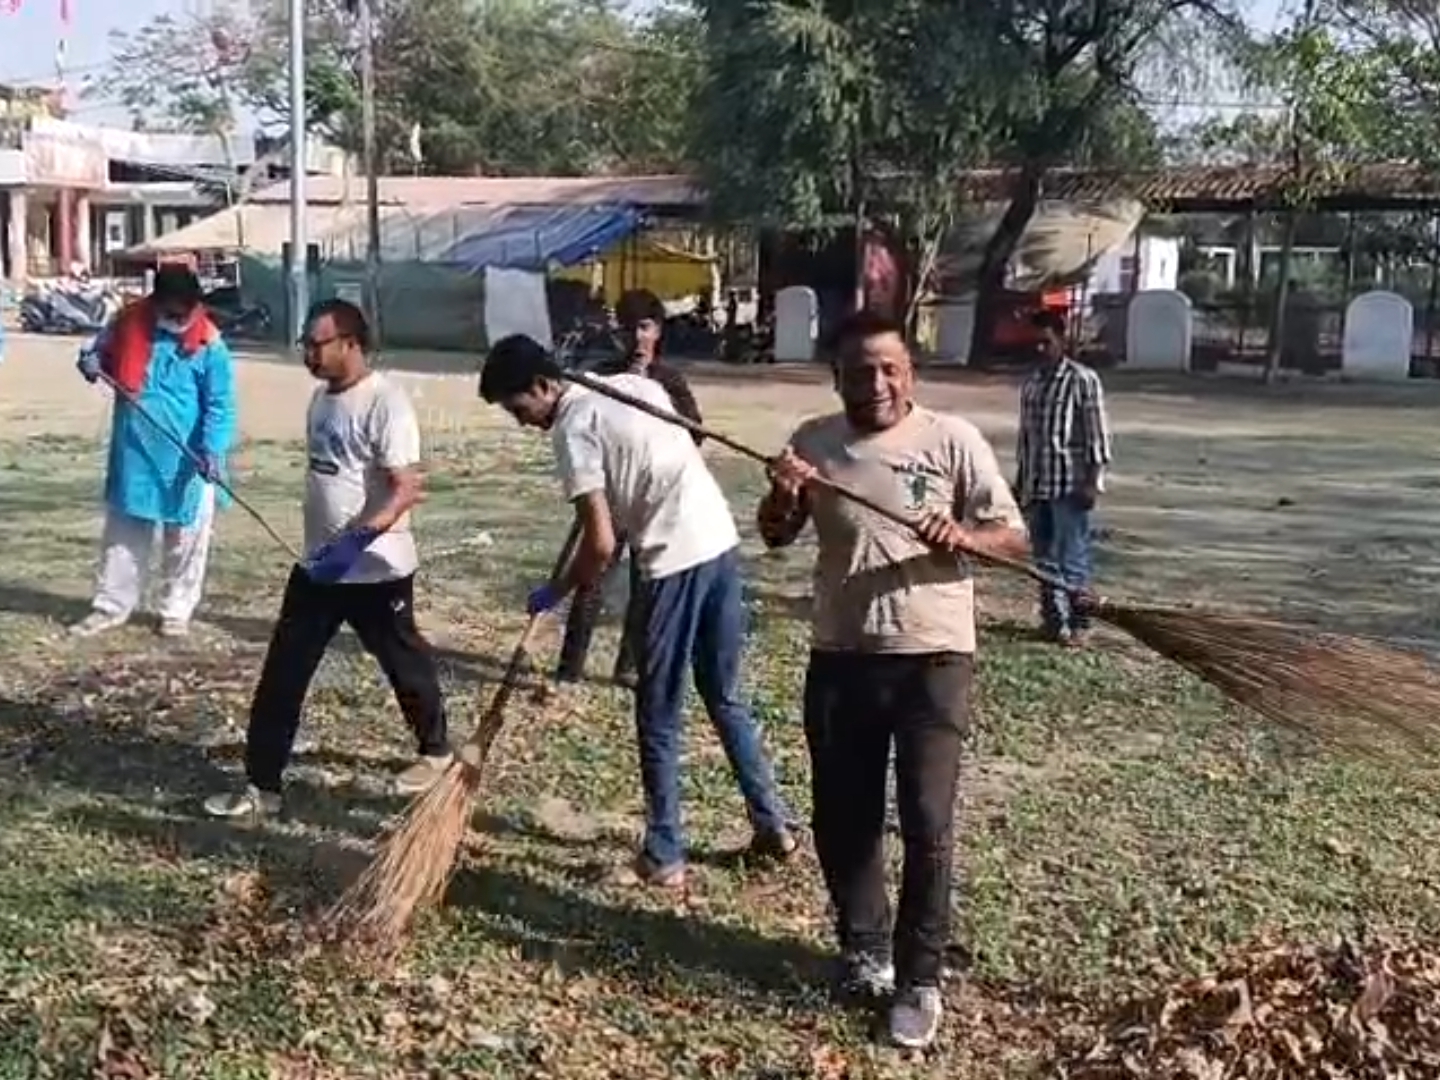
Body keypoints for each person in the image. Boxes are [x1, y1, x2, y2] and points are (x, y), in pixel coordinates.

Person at [758, 310, 1028, 1050]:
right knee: (844, 819)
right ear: (836, 377)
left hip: (933, 659)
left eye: (889, 368)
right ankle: (865, 948)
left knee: (927, 823)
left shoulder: (952, 441)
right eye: (858, 370)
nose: (875, 382)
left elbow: (1012, 539)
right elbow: (776, 535)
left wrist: (965, 537)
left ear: (910, 372)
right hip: (842, 656)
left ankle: (918, 977)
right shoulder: (813, 442)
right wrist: (783, 493)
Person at [479, 333, 794, 887]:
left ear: (545, 385)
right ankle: (773, 824)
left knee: (657, 713)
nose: (521, 422)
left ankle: (664, 854)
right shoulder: (628, 386)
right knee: (723, 696)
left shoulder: (574, 431)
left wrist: (554, 594)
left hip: (674, 562)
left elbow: (601, 546)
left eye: (519, 408)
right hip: (719, 543)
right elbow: (661, 462)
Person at [204, 299, 451, 817]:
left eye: (318, 344)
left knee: (403, 663)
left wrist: (351, 546)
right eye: (306, 344)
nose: (309, 355)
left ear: (351, 344)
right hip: (319, 567)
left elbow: (403, 491)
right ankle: (262, 787)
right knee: (283, 674)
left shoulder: (387, 404)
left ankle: (436, 753)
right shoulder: (320, 400)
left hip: (376, 570)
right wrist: (327, 556)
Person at [72, 264, 237, 638]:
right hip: (135, 451)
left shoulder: (210, 344)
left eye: (185, 311)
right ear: (156, 303)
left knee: (187, 538)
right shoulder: (127, 324)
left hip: (190, 458)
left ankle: (176, 610)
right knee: (124, 535)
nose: (178, 319)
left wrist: (212, 450)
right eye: (171, 311)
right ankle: (111, 605)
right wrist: (90, 364)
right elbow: (96, 355)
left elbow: (220, 404)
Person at [557, 288, 704, 688]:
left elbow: (696, 435)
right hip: (607, 494)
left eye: (645, 327)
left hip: (651, 499)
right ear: (616, 333)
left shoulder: (670, 381)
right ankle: (570, 666)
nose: (637, 338)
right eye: (628, 329)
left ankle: (628, 664)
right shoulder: (604, 378)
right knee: (592, 577)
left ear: (657, 331)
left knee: (645, 582)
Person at [1014, 309, 1113, 647]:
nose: (1040, 349)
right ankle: (1054, 622)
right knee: (1044, 560)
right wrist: (1020, 483)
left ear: (1061, 340)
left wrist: (1092, 480)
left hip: (1069, 486)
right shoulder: (1031, 383)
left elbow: (1096, 435)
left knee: (1072, 558)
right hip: (1037, 484)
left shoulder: (1082, 380)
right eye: (1034, 343)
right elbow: (1026, 439)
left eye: (1046, 342)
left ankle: (1080, 623)